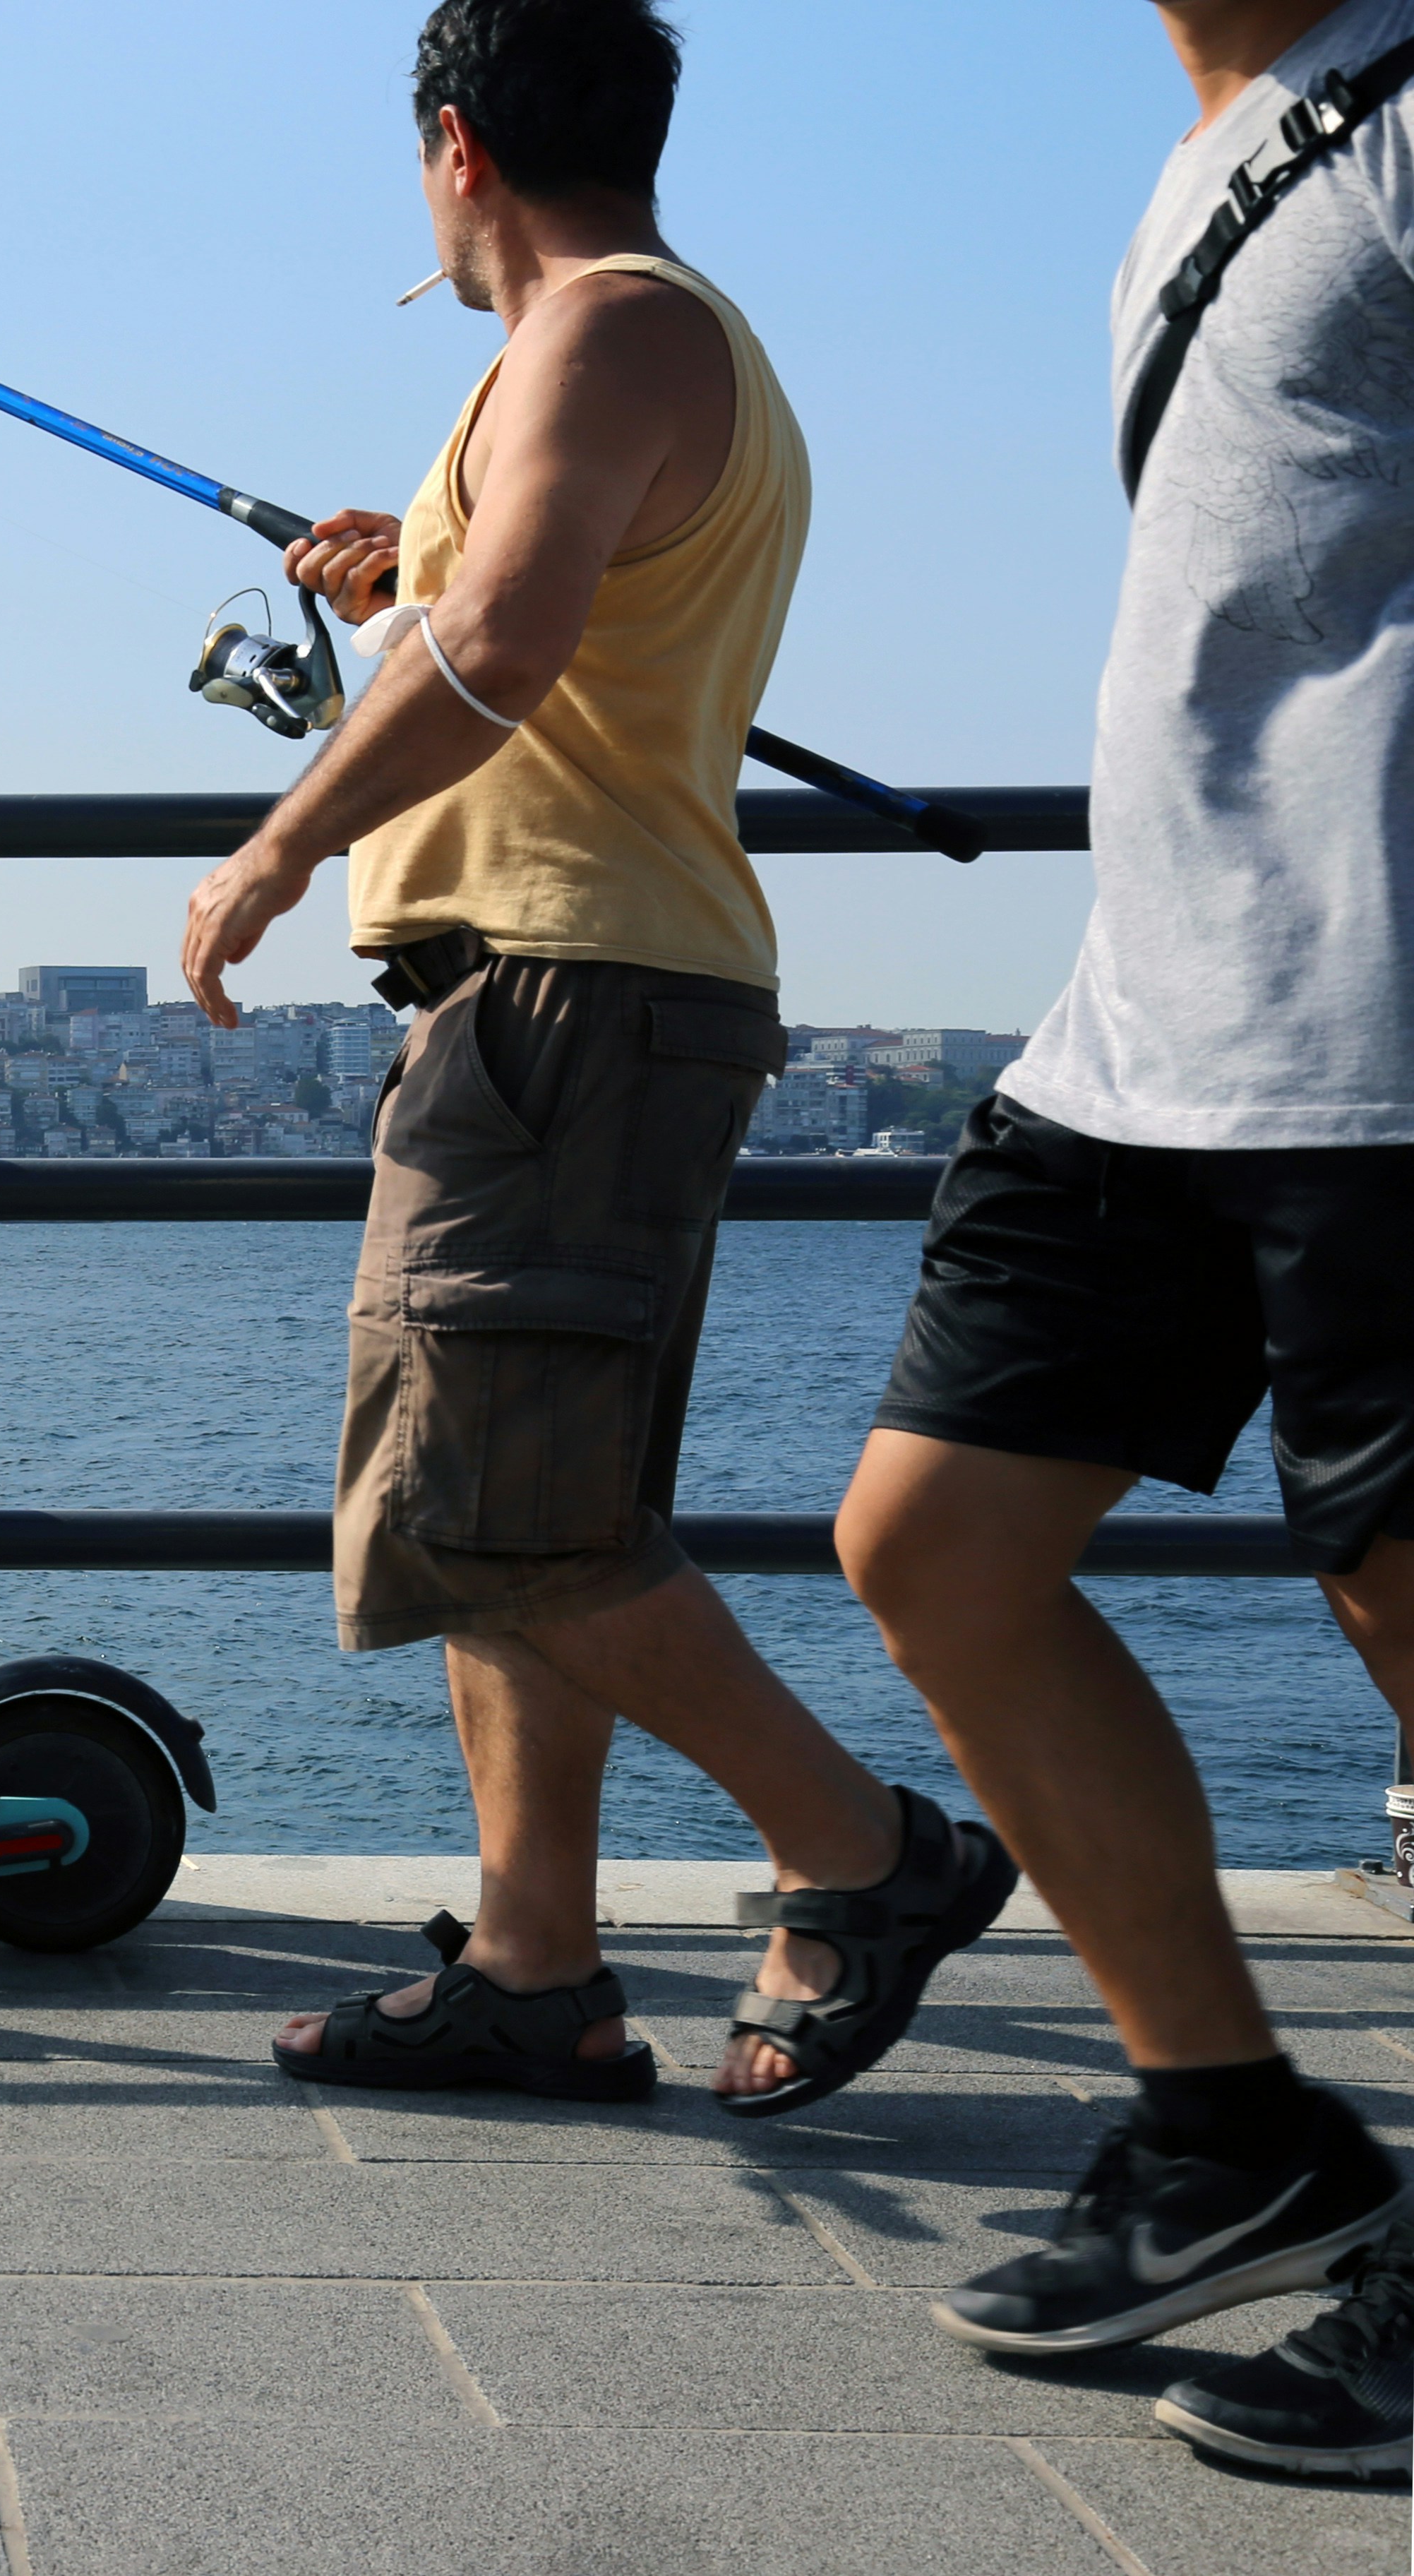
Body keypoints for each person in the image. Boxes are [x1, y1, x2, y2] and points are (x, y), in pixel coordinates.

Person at [181, 0, 1017, 2116]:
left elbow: (516, 651)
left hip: (572, 990)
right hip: (565, 992)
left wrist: (279, 844)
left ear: (457, 147)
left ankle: (870, 1856)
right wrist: (420, 570)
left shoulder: (611, 333)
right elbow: (525, 625)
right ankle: (537, 1966)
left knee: (488, 1510)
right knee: (527, 1498)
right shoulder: (607, 357)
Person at [832, 0, 1414, 2483]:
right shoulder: (1214, 158)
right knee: (936, 1542)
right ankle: (1232, 2133)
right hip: (1149, 1014)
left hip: (1388, 1009)